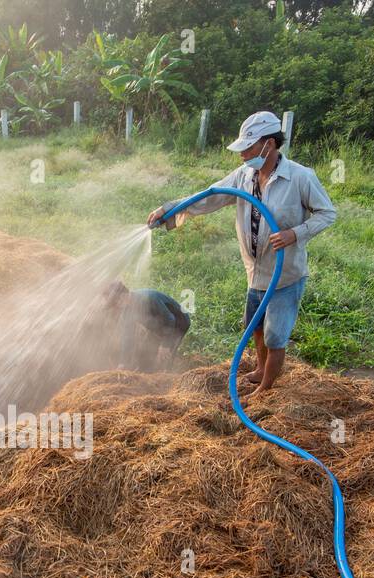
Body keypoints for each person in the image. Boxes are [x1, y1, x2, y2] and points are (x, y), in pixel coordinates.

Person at [148, 110, 336, 396]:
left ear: (268, 144)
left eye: (248, 147)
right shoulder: (243, 176)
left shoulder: (300, 177)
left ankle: (266, 387)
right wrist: (170, 209)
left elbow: (327, 213)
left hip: (285, 275)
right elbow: (210, 196)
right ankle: (260, 369)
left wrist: (294, 234)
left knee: (275, 336)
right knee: (255, 326)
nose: (242, 154)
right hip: (256, 271)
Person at [104, 281, 191, 371]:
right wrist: (123, 363)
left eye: (116, 303)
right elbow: (127, 337)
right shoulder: (127, 312)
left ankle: (167, 375)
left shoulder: (147, 298)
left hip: (178, 322)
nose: (116, 307)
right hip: (160, 327)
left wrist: (165, 345)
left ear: (123, 296)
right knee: (145, 357)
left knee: (163, 358)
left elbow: (170, 318)